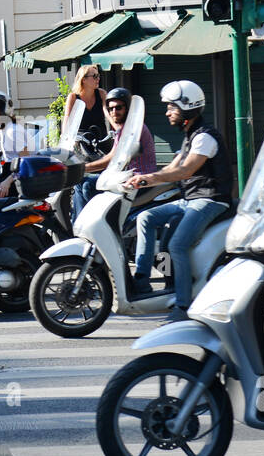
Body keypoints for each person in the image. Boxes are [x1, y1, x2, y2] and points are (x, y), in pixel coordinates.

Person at [124, 81, 234, 321]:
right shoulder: (189, 137)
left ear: (187, 107)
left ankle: (183, 306)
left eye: (171, 107)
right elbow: (171, 170)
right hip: (190, 199)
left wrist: (149, 177)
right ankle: (143, 281)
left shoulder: (205, 137)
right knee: (145, 217)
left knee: (176, 245)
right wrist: (135, 184)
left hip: (210, 200)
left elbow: (184, 171)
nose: (167, 112)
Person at [72, 87, 157, 218]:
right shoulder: (125, 127)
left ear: (127, 108)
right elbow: (114, 156)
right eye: (110, 108)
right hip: (127, 176)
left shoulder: (132, 128)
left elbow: (112, 158)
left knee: (87, 185)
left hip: (138, 179)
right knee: (82, 182)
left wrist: (83, 167)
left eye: (118, 108)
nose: (114, 112)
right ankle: (83, 222)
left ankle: (97, 221)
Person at [62, 64, 108, 158]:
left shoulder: (102, 94)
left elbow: (108, 114)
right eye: (94, 76)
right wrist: (65, 141)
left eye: (98, 76)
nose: (98, 79)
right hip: (81, 143)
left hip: (101, 142)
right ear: (83, 79)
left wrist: (119, 130)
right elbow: (67, 120)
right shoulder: (73, 97)